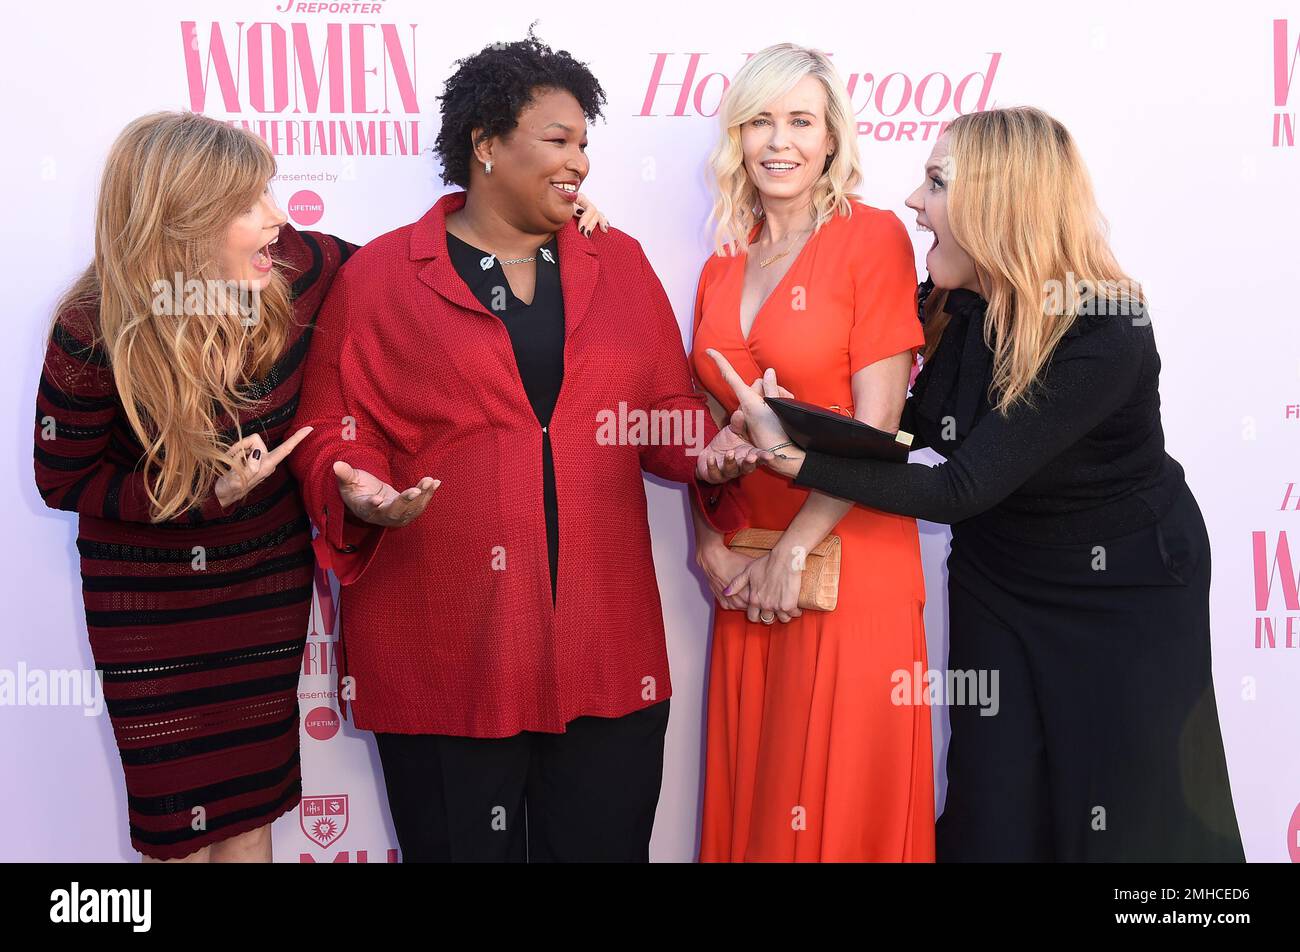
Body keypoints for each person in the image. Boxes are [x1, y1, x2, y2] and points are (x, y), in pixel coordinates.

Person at [703, 106, 1245, 862]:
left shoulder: (1105, 328)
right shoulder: (964, 307)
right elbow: (907, 433)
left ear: (999, 201)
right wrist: (777, 421)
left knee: (1132, 812)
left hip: (1123, 587)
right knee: (993, 807)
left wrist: (791, 460)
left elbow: (958, 489)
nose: (914, 203)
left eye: (936, 183)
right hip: (1000, 576)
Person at [287, 34, 748, 862]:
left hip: (606, 656)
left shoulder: (619, 261)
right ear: (487, 145)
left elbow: (664, 410)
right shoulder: (384, 275)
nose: (580, 162)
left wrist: (712, 450)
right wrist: (357, 484)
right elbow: (334, 425)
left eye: (584, 144)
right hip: (445, 652)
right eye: (558, 140)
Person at [33, 111, 364, 861]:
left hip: (262, 585)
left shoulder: (299, 272)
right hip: (146, 602)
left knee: (253, 809)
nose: (278, 220)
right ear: (182, 221)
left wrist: (562, 227)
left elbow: (408, 269)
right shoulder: (92, 328)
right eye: (249, 206)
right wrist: (198, 494)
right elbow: (62, 477)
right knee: (174, 828)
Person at [687, 44, 934, 862]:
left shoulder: (872, 238)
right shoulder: (723, 260)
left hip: (844, 554)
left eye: (800, 121)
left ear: (832, 140)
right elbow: (716, 419)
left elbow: (880, 429)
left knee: (835, 802)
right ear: (737, 136)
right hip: (746, 563)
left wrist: (798, 548)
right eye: (760, 120)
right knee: (761, 798)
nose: (778, 141)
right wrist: (708, 543)